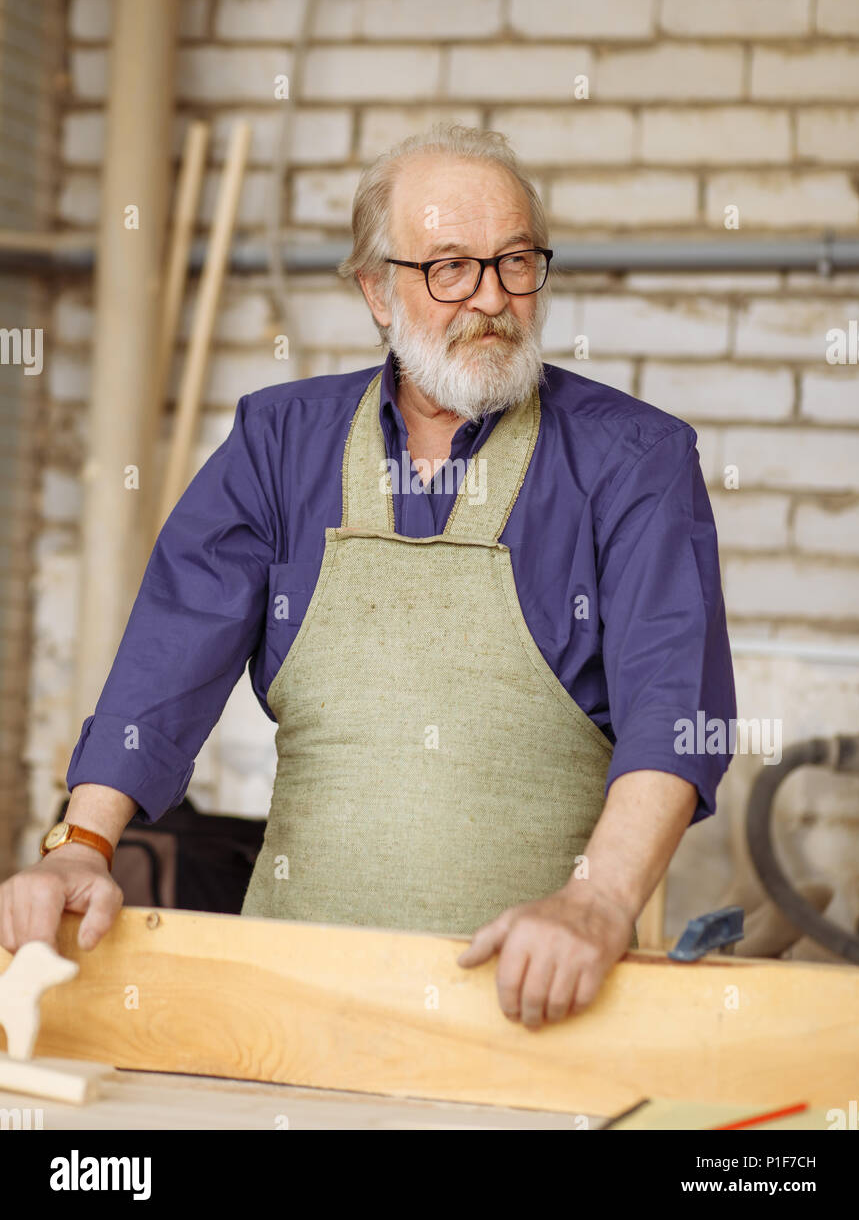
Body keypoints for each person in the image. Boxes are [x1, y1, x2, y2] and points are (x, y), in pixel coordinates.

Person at [0, 124, 735, 1031]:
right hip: (289, 994)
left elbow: (677, 718)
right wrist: (80, 844)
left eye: (516, 262)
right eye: (451, 268)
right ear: (377, 291)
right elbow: (168, 654)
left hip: (539, 998)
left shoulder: (636, 460)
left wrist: (598, 904)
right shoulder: (280, 444)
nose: (493, 299)